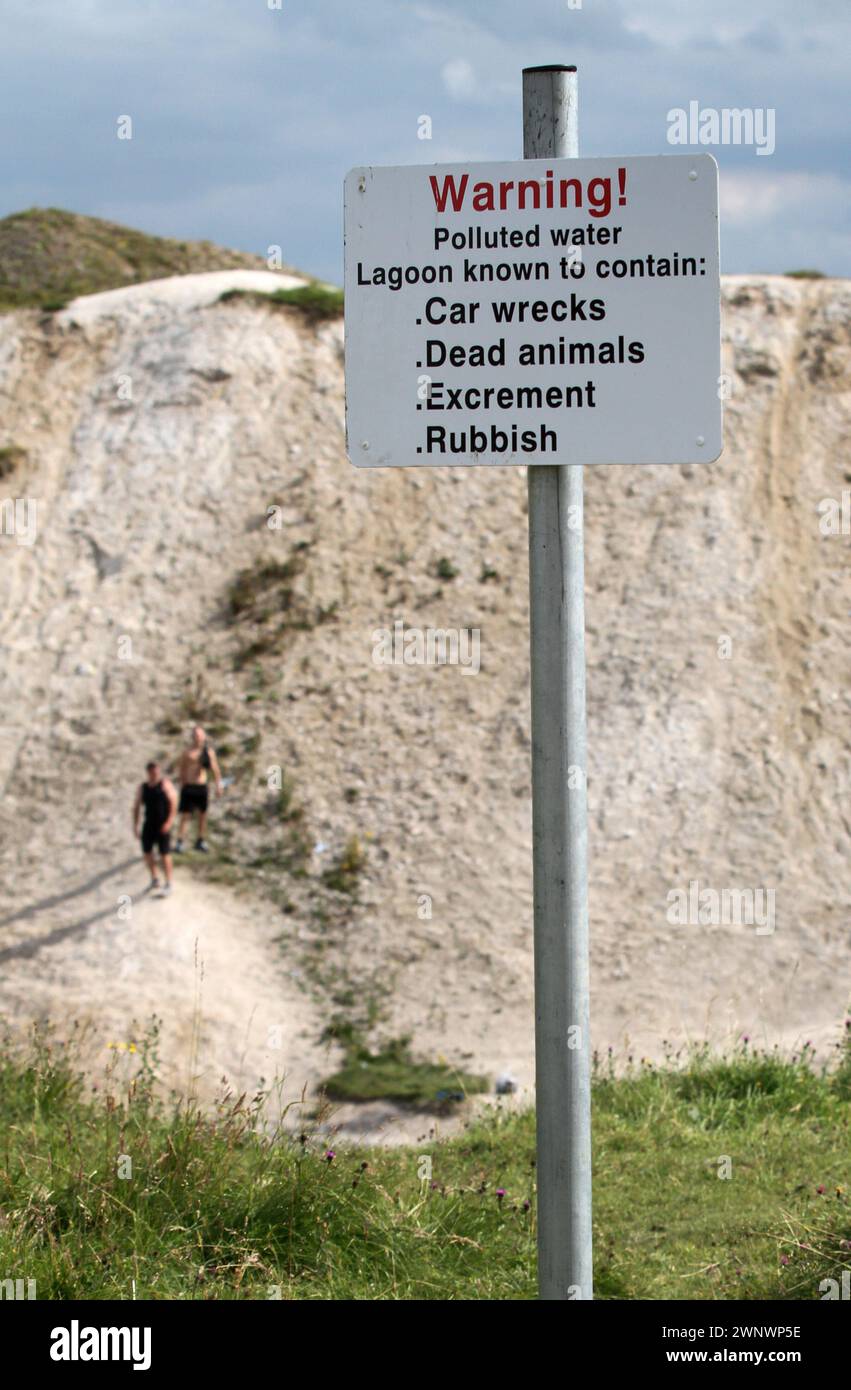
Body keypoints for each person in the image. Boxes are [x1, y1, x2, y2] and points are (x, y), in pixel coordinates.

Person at [174, 725, 223, 853]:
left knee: (203, 815)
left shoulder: (207, 752)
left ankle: (200, 840)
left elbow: (215, 769)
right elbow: (182, 769)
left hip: (201, 786)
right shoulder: (188, 752)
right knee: (185, 815)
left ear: (203, 736)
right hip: (189, 786)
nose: (197, 737)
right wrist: (183, 783)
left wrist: (218, 785)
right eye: (195, 735)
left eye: (199, 735)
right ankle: (180, 841)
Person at [133, 760, 178, 895]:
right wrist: (135, 825)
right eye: (152, 771)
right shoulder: (143, 787)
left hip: (162, 824)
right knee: (147, 852)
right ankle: (154, 879)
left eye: (156, 771)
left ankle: (169, 882)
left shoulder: (165, 785)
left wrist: (169, 822)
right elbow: (136, 807)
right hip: (149, 824)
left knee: (165, 853)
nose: (154, 774)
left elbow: (173, 803)